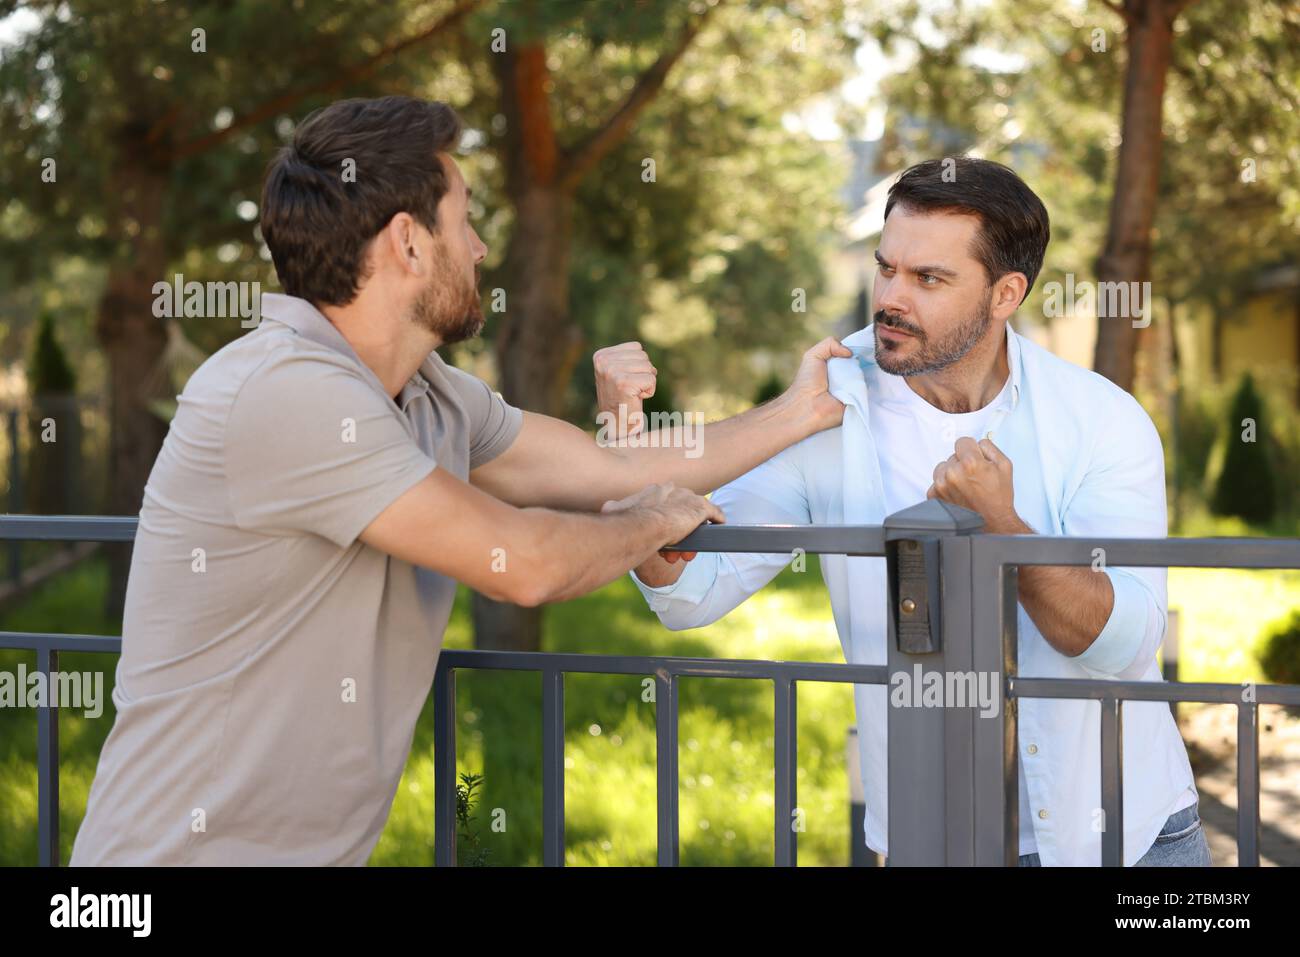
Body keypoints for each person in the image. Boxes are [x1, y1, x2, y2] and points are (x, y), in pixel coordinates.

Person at [69, 95, 849, 865]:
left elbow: (609, 467)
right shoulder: (283, 389)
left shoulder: (430, 392)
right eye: (466, 219)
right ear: (408, 242)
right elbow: (524, 562)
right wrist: (651, 521)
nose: (478, 249)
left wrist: (800, 410)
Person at [631, 157, 1210, 867]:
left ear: (1005, 294)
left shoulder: (1102, 420)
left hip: (1126, 836)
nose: (890, 299)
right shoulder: (827, 409)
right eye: (886, 269)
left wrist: (1003, 531)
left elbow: (1123, 645)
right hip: (932, 839)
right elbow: (692, 591)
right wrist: (635, 491)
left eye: (928, 278)